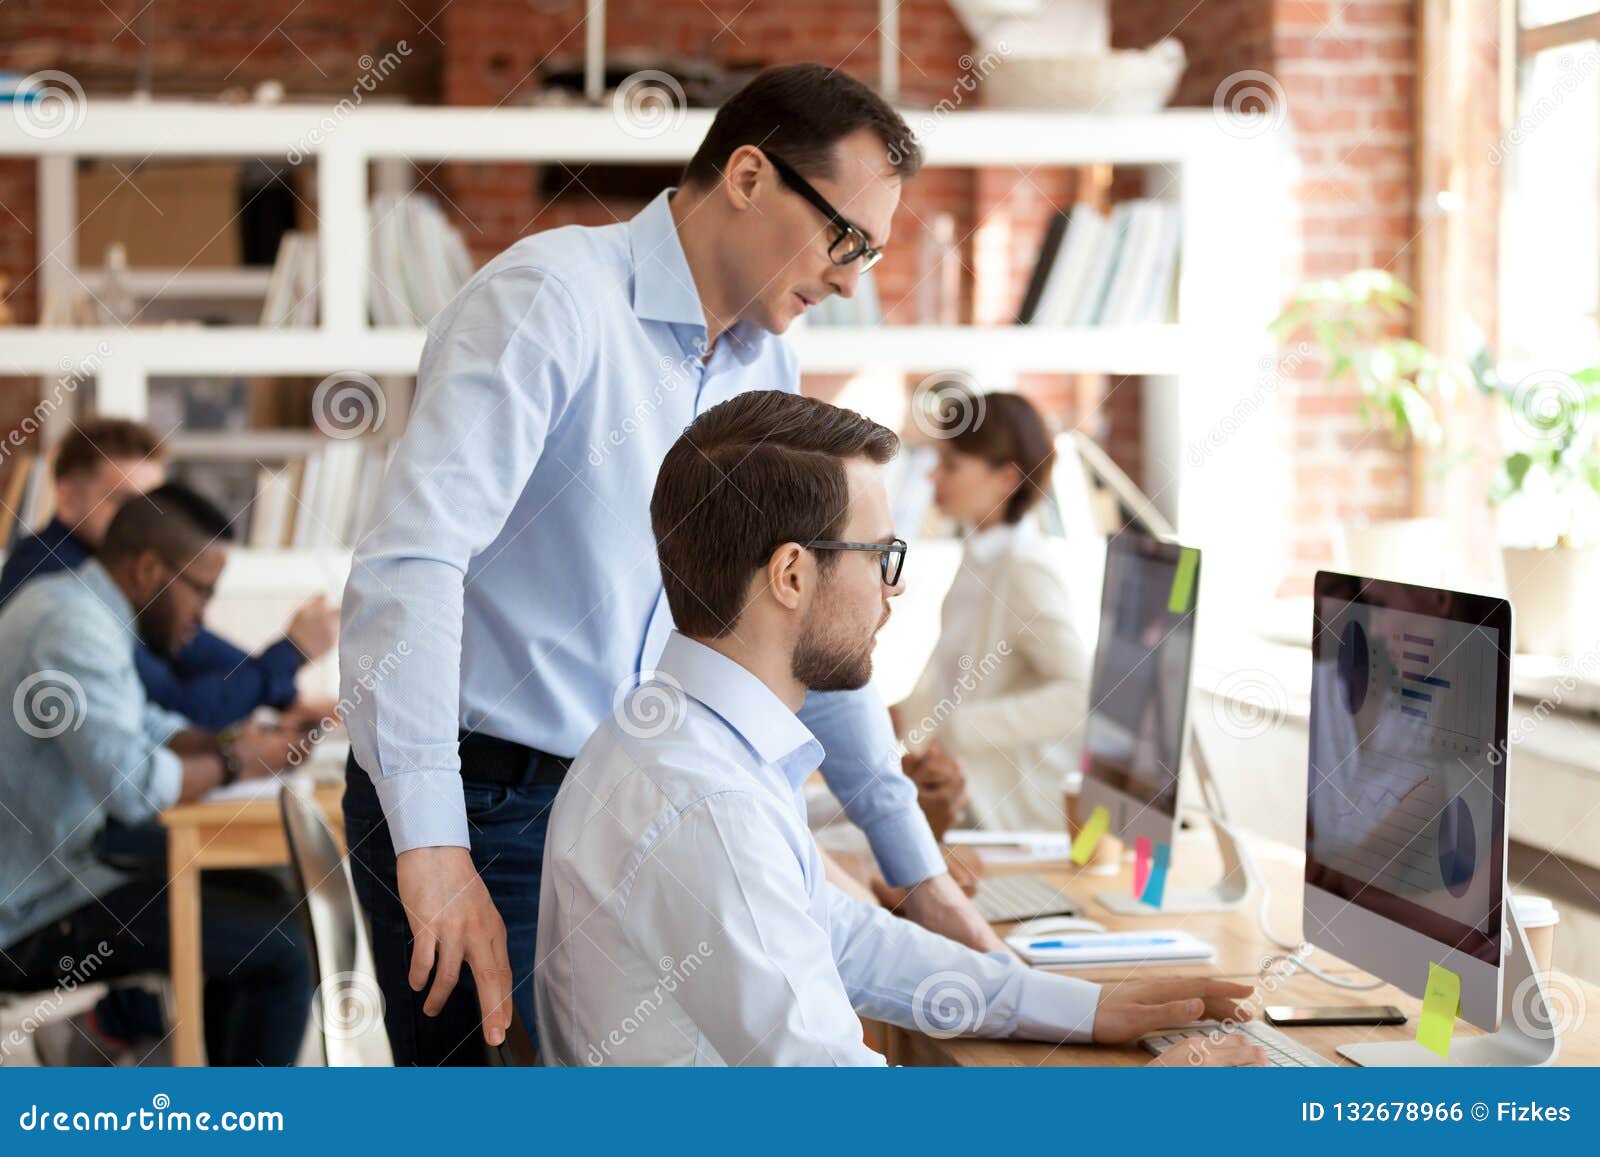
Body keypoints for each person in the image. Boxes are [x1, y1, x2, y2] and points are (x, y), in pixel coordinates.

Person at [339, 62, 999, 1064]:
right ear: (746, 175)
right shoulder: (548, 298)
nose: (852, 278)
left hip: (641, 803)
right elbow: (413, 560)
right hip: (490, 804)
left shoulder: (762, 361)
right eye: (845, 237)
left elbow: (806, 615)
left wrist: (918, 871)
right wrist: (432, 848)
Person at [534, 390, 1264, 1066]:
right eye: (881, 554)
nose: (897, 584)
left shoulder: (681, 742)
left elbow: (844, 939)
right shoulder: (708, 804)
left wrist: (1081, 1005)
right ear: (791, 575)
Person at [0, 484, 312, 1066]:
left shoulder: (78, 607)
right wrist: (235, 761)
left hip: (66, 868)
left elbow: (143, 725)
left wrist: (236, 741)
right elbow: (134, 789)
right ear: (148, 568)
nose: (203, 613)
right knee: (281, 948)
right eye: (202, 591)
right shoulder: (72, 627)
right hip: (27, 912)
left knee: (270, 897)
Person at [0, 418, 340, 731]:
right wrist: (291, 653)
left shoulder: (116, 573)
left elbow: (196, 649)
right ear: (67, 496)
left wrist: (286, 695)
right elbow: (178, 704)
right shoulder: (59, 583)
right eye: (125, 503)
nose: (148, 522)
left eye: (157, 506)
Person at [892, 389, 1092, 832]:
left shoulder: (1023, 570)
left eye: (951, 465)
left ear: (1006, 478)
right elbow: (955, 680)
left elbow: (1080, 694)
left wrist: (959, 728)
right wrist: (898, 717)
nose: (933, 479)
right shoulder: (980, 556)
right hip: (962, 792)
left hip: (1001, 811)